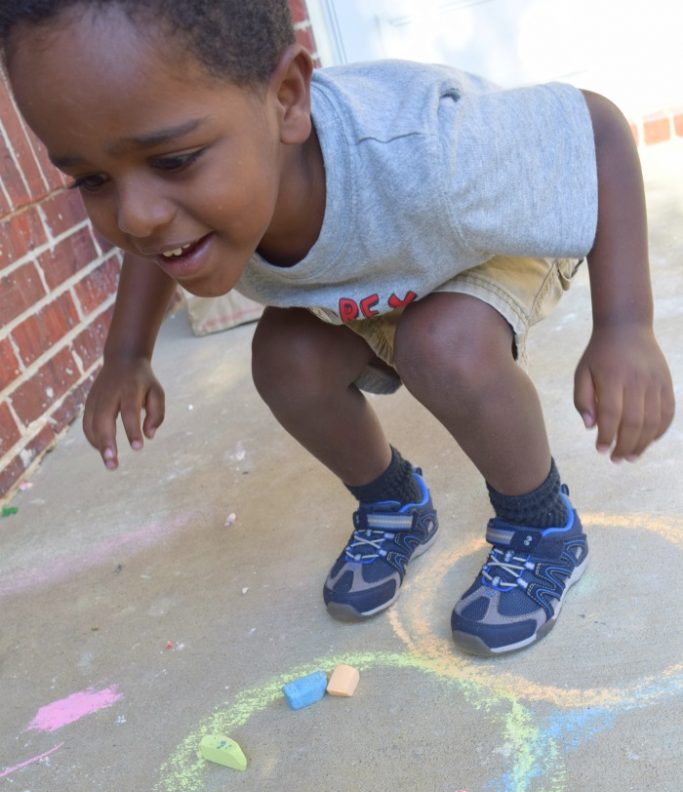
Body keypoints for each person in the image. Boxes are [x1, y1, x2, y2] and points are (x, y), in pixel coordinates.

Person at [2, 0, 675, 656]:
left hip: (475, 242)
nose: (137, 215)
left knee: (441, 344)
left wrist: (623, 325)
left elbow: (592, 130)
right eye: (90, 178)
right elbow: (149, 240)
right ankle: (395, 506)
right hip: (375, 260)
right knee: (285, 357)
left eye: (174, 160)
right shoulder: (190, 189)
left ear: (287, 99)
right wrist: (126, 355)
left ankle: (542, 528)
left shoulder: (432, 158)